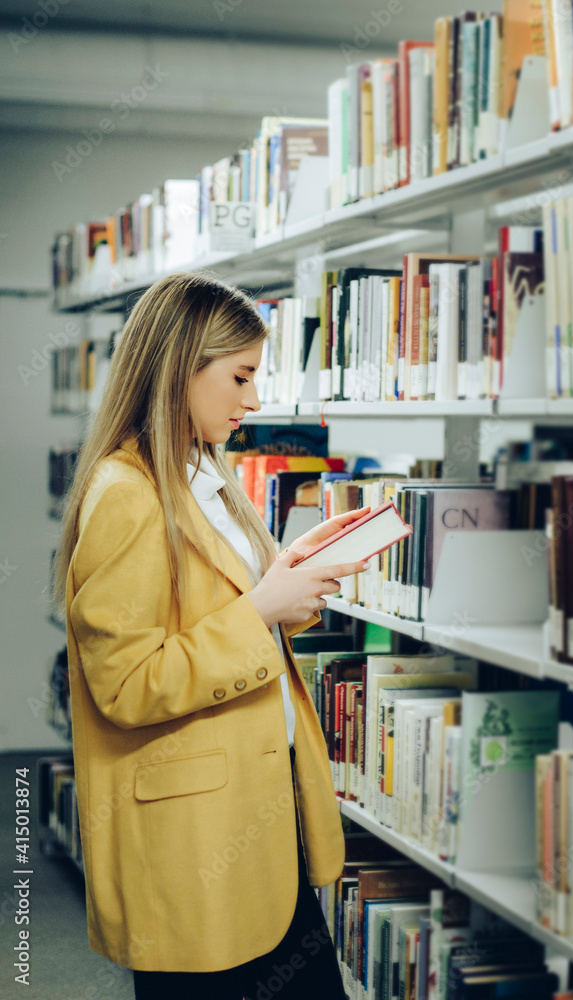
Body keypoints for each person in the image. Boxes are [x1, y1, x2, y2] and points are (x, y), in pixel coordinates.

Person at [51, 271, 370, 1000]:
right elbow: (128, 687)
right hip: (195, 845)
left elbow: (219, 609)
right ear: (178, 365)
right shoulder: (128, 497)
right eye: (241, 376)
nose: (254, 400)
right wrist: (258, 610)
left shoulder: (205, 477)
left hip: (257, 817)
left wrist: (288, 577)